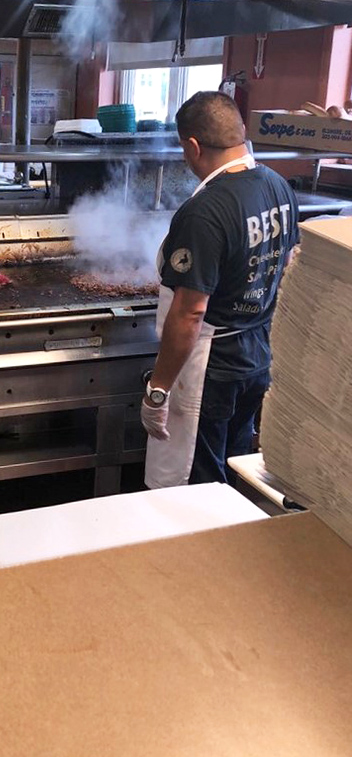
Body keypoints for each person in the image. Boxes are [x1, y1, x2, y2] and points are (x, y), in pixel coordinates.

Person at [141, 91, 300, 488]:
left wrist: (158, 390)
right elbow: (284, 269)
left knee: (198, 482)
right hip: (257, 353)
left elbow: (190, 312)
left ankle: (198, 548)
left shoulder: (206, 211)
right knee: (234, 468)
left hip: (211, 367)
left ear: (193, 146)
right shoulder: (278, 186)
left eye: (183, 149)